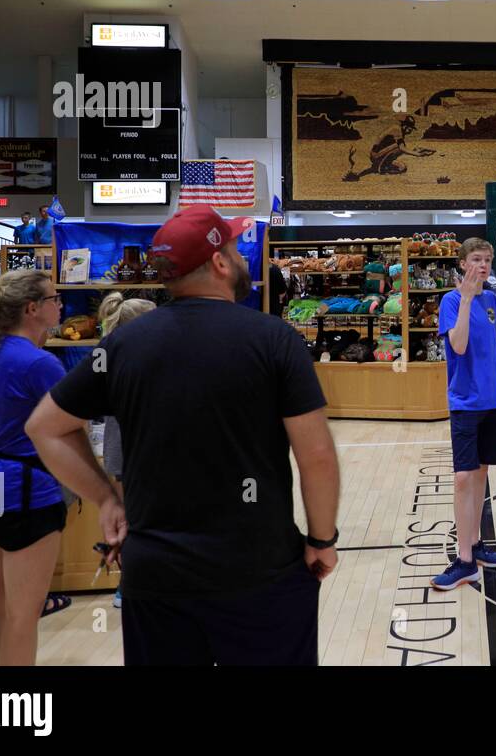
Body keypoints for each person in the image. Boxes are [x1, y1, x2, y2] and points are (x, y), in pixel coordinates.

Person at [26, 205, 340, 665]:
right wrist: (322, 540)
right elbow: (316, 456)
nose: (239, 257)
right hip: (260, 569)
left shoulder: (122, 345)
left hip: (156, 577)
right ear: (218, 262)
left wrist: (106, 499)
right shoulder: (275, 340)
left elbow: (45, 427)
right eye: (233, 248)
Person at [0, 268, 69, 665]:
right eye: (54, 298)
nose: (61, 304)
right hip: (22, 484)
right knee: (23, 615)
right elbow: (69, 431)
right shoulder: (40, 364)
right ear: (32, 308)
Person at [431, 237, 496, 591]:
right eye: (476, 259)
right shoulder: (452, 301)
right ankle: (464, 560)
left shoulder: (491, 300)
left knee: (481, 475)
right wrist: (467, 298)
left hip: (493, 401)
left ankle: (477, 545)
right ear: (461, 264)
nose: (483, 265)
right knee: (462, 479)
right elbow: (457, 344)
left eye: (487, 260)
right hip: (465, 404)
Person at [93, 292, 156, 610]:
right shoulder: (137, 361)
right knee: (139, 516)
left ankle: (127, 583)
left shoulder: (109, 357)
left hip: (121, 448)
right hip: (141, 448)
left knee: (128, 515)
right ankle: (131, 582)